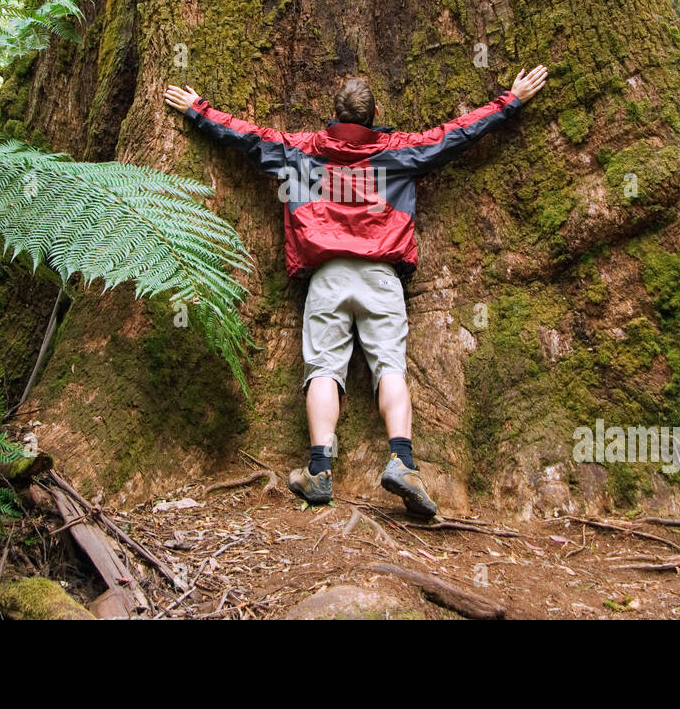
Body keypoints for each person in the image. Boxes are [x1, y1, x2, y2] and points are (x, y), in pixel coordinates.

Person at [164, 65, 548, 516]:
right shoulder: (403, 151)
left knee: (324, 369)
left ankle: (319, 470)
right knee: (390, 367)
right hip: (382, 276)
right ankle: (403, 462)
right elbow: (456, 134)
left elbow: (248, 137)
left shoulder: (299, 151)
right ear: (376, 114)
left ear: (334, 116)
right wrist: (512, 100)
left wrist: (198, 110)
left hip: (327, 278)